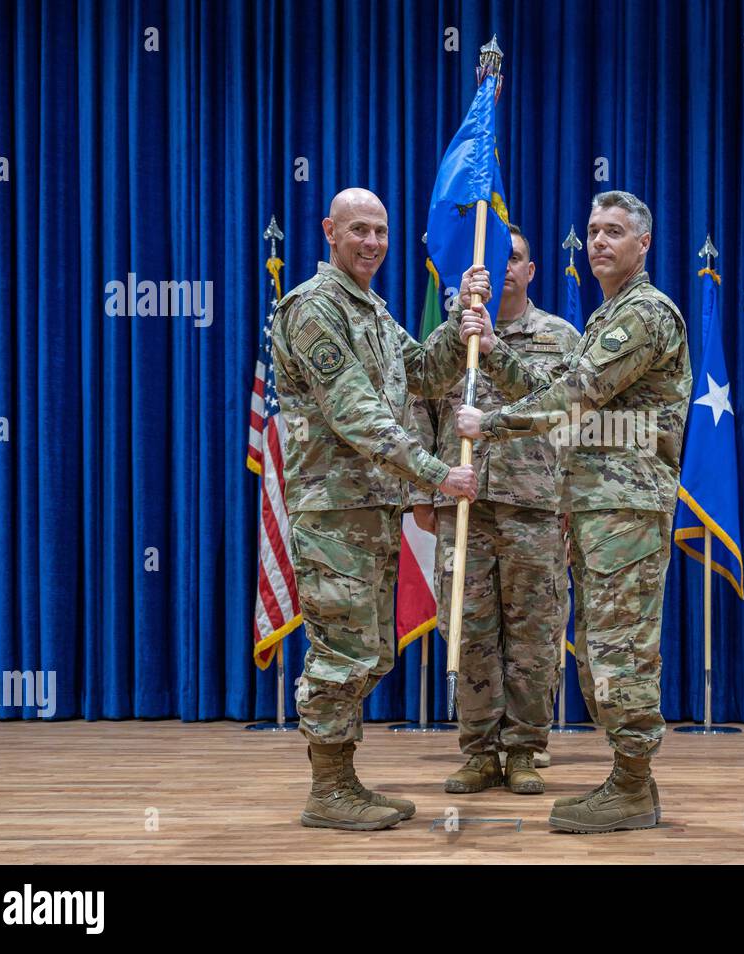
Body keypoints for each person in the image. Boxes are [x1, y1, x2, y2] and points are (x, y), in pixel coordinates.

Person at [455, 190, 692, 833]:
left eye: (615, 231)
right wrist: (496, 357)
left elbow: (577, 395)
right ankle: (625, 780)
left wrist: (492, 423)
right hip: (598, 510)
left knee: (621, 651)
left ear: (643, 244)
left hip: (626, 511)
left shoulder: (644, 313)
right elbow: (566, 400)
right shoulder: (608, 315)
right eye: (592, 231)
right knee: (597, 648)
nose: (599, 242)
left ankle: (635, 787)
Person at [271, 187, 486, 831]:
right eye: (359, 230)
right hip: (334, 510)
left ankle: (344, 782)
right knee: (342, 652)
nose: (371, 243)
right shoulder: (313, 309)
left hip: (370, 507)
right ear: (328, 231)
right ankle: (327, 790)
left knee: (368, 651)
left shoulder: (371, 311)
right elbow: (357, 414)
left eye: (381, 232)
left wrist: (460, 326)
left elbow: (418, 372)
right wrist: (436, 473)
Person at [405, 225, 580, 795]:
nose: (505, 267)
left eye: (518, 258)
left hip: (536, 505)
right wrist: (423, 492)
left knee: (533, 634)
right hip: (464, 504)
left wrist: (574, 506)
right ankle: (479, 751)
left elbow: (564, 411)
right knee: (470, 631)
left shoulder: (560, 336)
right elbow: (423, 404)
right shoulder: (454, 335)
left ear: (532, 271)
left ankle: (526, 749)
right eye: (496, 258)